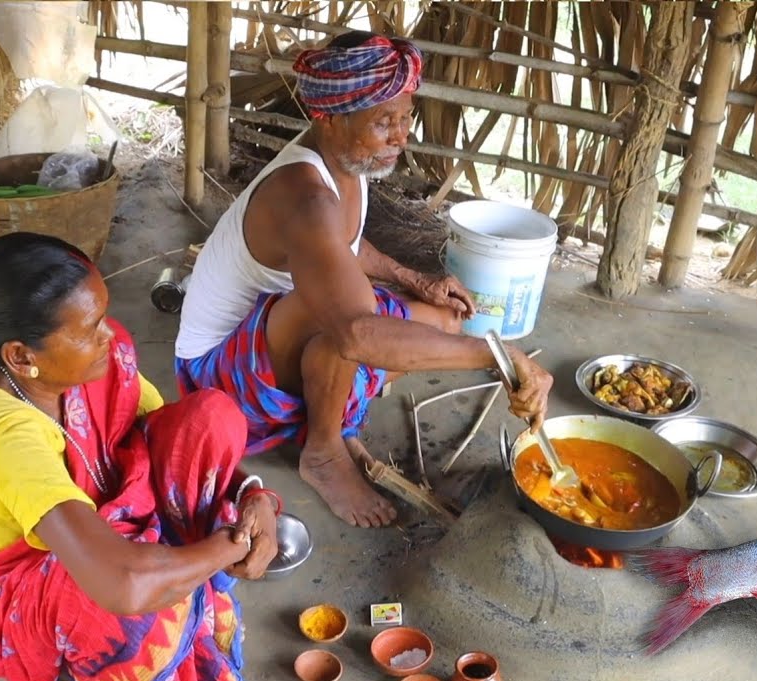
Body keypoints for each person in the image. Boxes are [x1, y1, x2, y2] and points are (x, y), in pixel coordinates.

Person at [174, 31, 554, 529]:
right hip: (220, 379)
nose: (401, 136)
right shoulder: (305, 196)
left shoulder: (343, 162)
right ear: (328, 118)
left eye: (405, 117)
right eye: (384, 122)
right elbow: (355, 331)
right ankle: (324, 451)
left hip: (276, 334)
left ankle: (329, 401)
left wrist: (412, 277)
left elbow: (347, 244)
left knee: (446, 319)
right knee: (343, 332)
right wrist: (503, 357)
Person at [0, 233, 279, 681]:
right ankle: (162, 604)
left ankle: (172, 570)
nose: (111, 335)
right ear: (21, 357)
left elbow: (164, 429)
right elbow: (121, 586)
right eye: (90, 327)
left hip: (91, 518)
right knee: (123, 618)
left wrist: (254, 495)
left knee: (210, 418)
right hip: (5, 589)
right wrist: (230, 545)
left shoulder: (71, 366)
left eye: (102, 315)